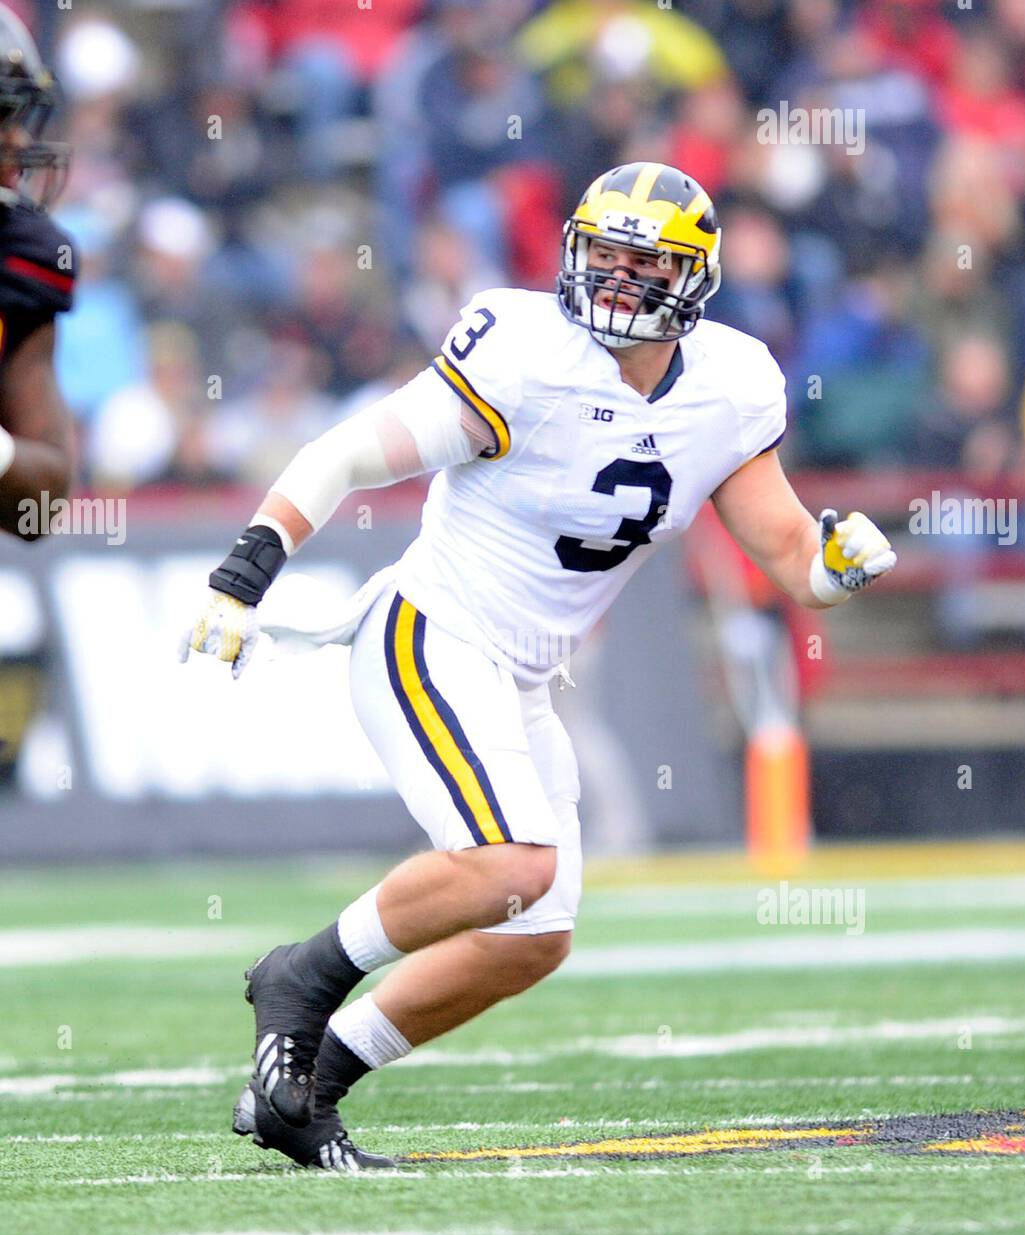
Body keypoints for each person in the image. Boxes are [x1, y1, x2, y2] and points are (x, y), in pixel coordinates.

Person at [180, 161, 897, 1170]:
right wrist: (243, 572)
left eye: (640, 263)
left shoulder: (732, 386)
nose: (612, 277)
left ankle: (307, 1089)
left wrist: (837, 563)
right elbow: (348, 451)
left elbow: (791, 558)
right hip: (430, 633)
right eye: (600, 252)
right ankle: (300, 976)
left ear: (694, 281)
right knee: (512, 863)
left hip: (523, 674)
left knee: (534, 932)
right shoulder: (519, 351)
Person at [0, 4, 77, 542]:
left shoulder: (21, 253)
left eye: (18, 117)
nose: (21, 142)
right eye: (1, 117)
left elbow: (42, 503)